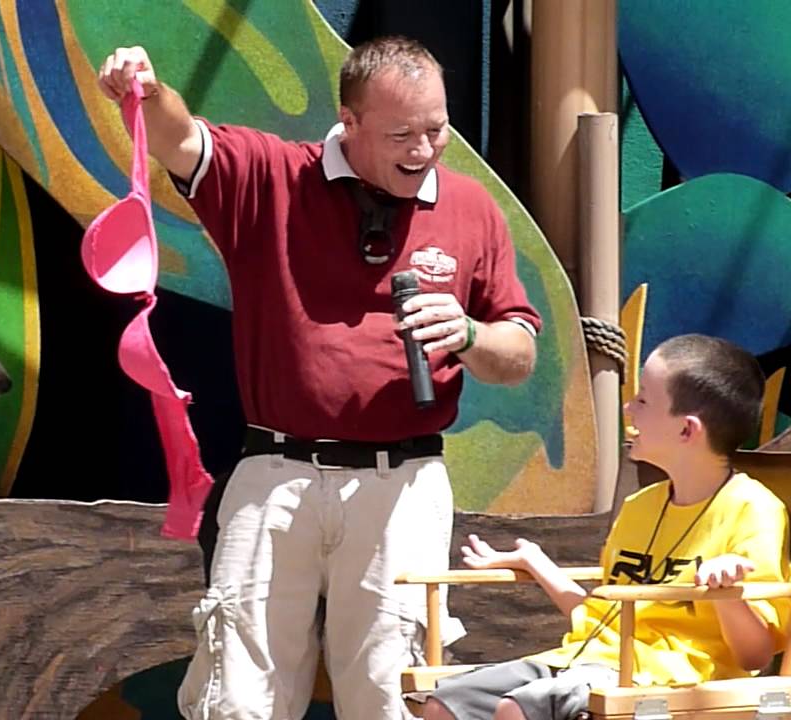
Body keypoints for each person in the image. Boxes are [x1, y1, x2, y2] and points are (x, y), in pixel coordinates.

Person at [97, 35, 542, 719]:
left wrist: (473, 334)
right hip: (277, 474)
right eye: (402, 133)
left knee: (395, 694)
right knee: (237, 695)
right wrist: (146, 91)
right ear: (350, 120)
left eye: (436, 129)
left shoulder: (471, 208)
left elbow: (519, 352)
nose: (423, 149)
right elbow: (180, 139)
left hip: (404, 481)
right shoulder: (273, 177)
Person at [424, 333, 791, 720]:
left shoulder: (753, 511)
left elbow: (755, 655)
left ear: (687, 430)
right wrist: (537, 563)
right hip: (588, 658)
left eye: (644, 400)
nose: (628, 408)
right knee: (445, 704)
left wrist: (728, 595)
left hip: (668, 679)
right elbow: (603, 617)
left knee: (519, 709)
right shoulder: (638, 508)